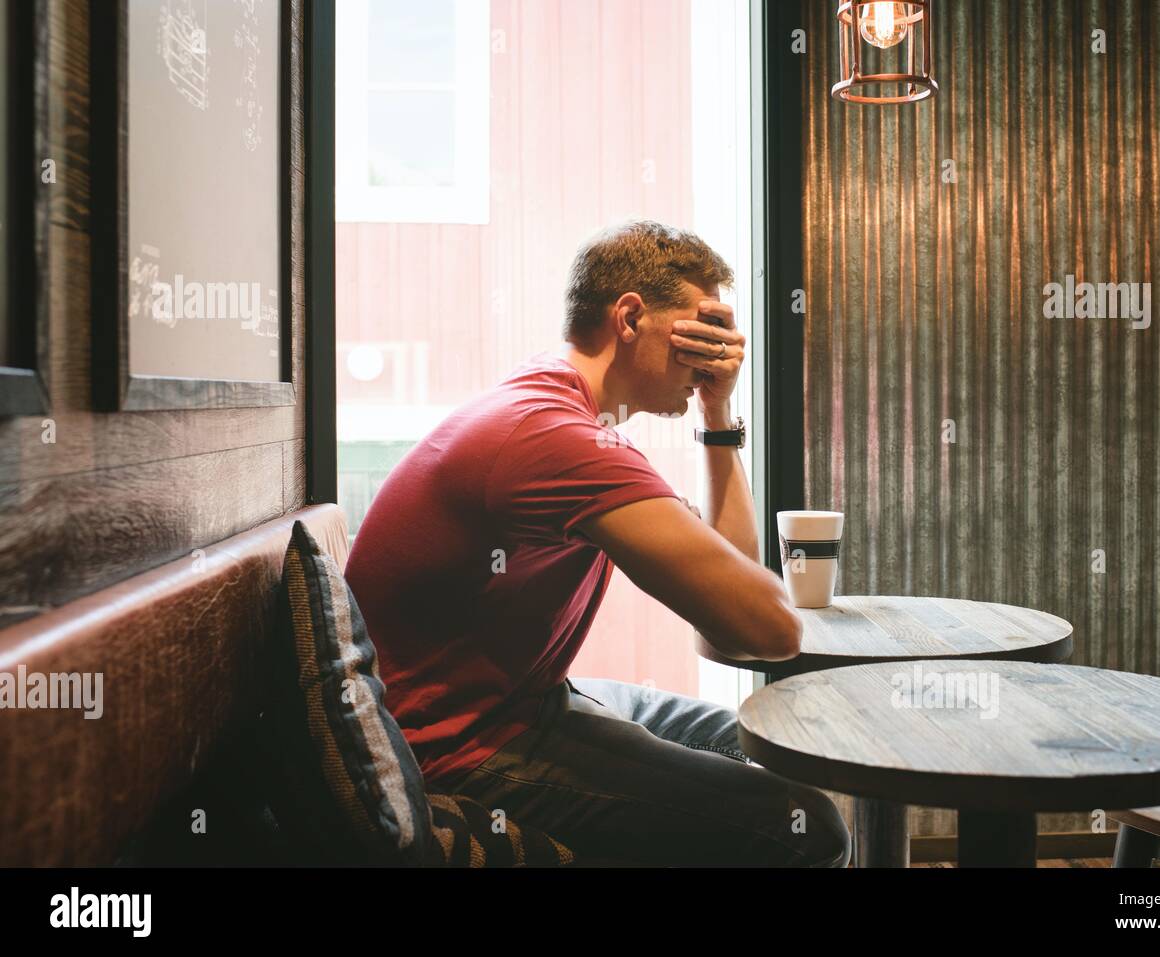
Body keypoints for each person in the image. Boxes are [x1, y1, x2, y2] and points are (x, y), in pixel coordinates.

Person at [345, 221, 851, 866]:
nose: (717, 355)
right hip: (458, 748)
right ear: (631, 316)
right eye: (703, 331)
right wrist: (734, 614)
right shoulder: (557, 438)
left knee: (772, 744)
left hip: (524, 704)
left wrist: (718, 415)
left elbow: (729, 610)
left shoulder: (557, 411)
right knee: (807, 827)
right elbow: (769, 629)